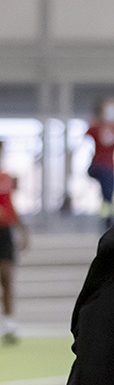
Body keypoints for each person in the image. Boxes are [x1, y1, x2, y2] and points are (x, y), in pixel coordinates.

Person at [85, 97, 114, 225]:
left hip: (104, 168)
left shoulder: (109, 127)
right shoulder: (100, 127)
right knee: (108, 194)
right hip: (101, 167)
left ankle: (107, 215)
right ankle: (107, 218)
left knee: (108, 193)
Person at [0, 144, 26, 345]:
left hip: (5, 232)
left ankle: (9, 324)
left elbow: (10, 205)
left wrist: (23, 229)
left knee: (7, 277)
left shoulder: (7, 178)